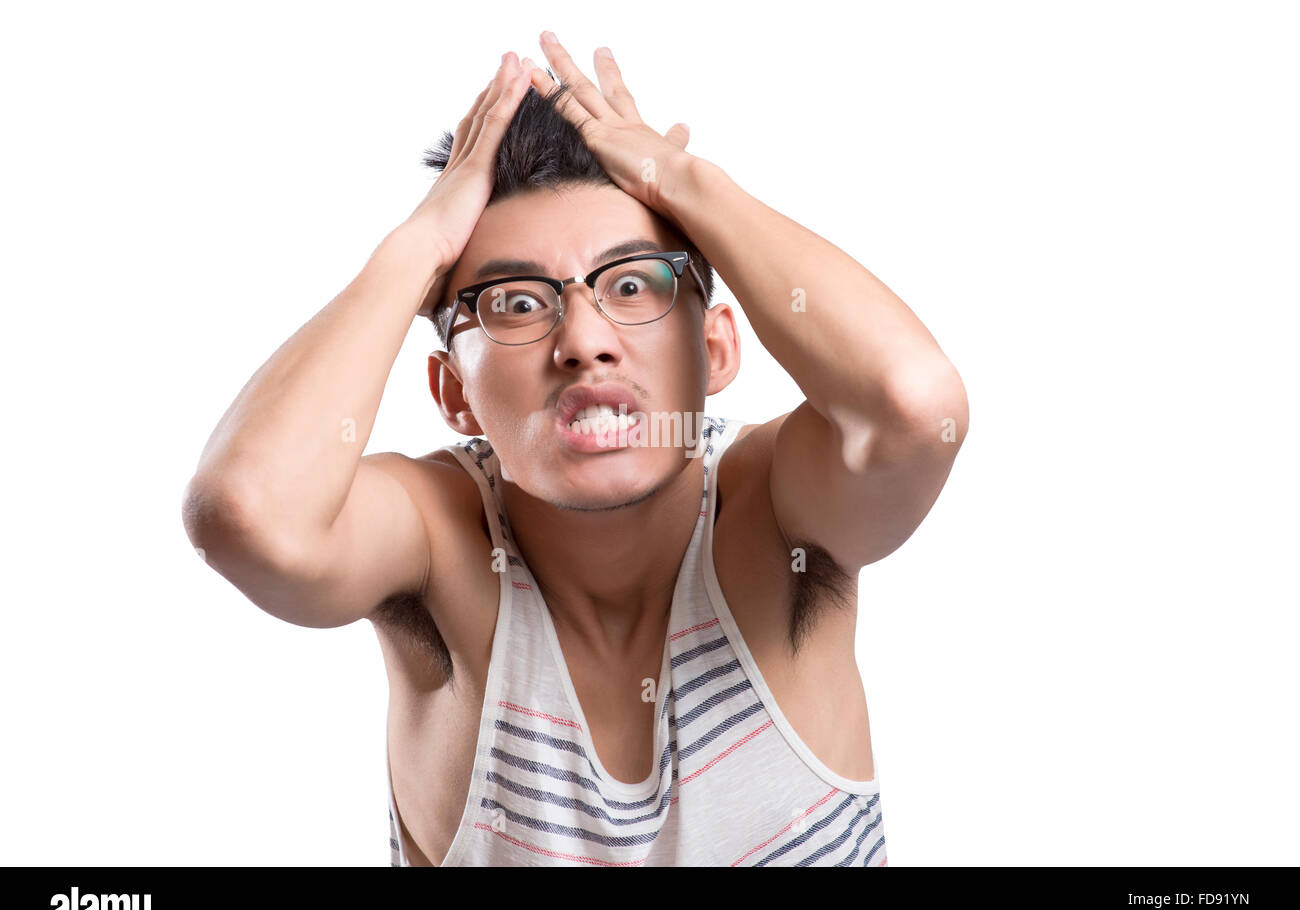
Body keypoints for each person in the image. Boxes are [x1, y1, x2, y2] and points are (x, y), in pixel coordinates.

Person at [182, 33, 969, 867]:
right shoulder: (438, 548)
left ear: (718, 346)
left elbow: (916, 407)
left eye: (632, 283)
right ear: (453, 392)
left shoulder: (776, 515)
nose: (584, 339)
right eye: (517, 302)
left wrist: (688, 184)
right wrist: (417, 249)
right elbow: (247, 511)